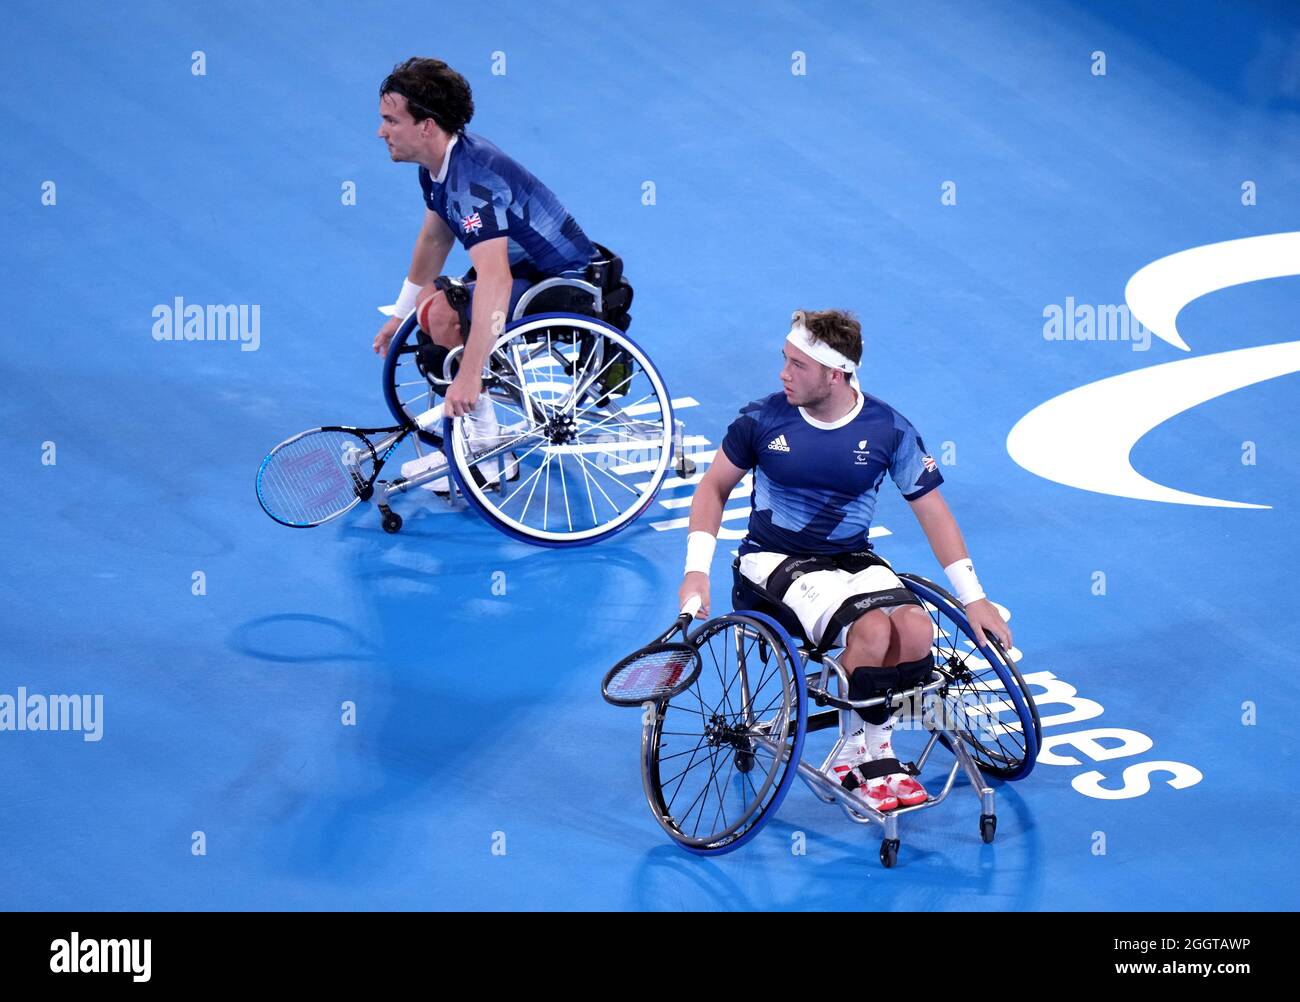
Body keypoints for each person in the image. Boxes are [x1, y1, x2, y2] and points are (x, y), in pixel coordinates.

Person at [677, 309, 1012, 813]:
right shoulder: (761, 419)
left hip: (851, 559)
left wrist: (975, 598)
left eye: (797, 365)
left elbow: (933, 512)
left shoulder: (888, 429)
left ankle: (877, 749)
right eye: (784, 360)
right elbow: (713, 488)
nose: (783, 374)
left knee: (918, 628)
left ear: (836, 374)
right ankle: (848, 755)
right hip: (771, 561)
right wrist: (695, 570)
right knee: (874, 630)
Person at [372, 57, 600, 420]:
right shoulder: (438, 168)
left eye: (391, 121)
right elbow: (434, 241)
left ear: (427, 126)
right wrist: (400, 315)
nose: (381, 132)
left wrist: (470, 372)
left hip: (561, 283)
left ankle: (483, 448)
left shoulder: (472, 182)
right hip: (525, 271)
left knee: (445, 313)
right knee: (429, 301)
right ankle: (478, 436)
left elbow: (495, 278)